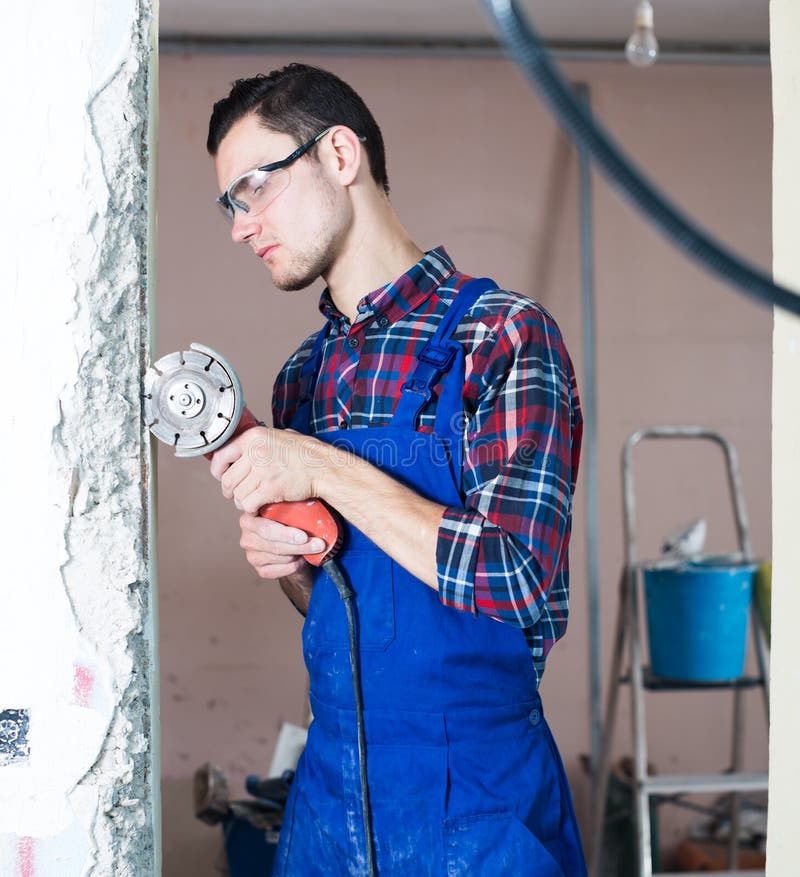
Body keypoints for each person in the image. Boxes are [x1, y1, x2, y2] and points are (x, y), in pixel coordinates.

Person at [206, 63, 586, 877]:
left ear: (340, 155)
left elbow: (513, 574)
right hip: (330, 793)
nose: (242, 225)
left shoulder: (502, 339)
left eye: (253, 189)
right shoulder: (304, 377)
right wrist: (287, 563)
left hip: (475, 800)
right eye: (230, 205)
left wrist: (318, 466)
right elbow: (343, 598)